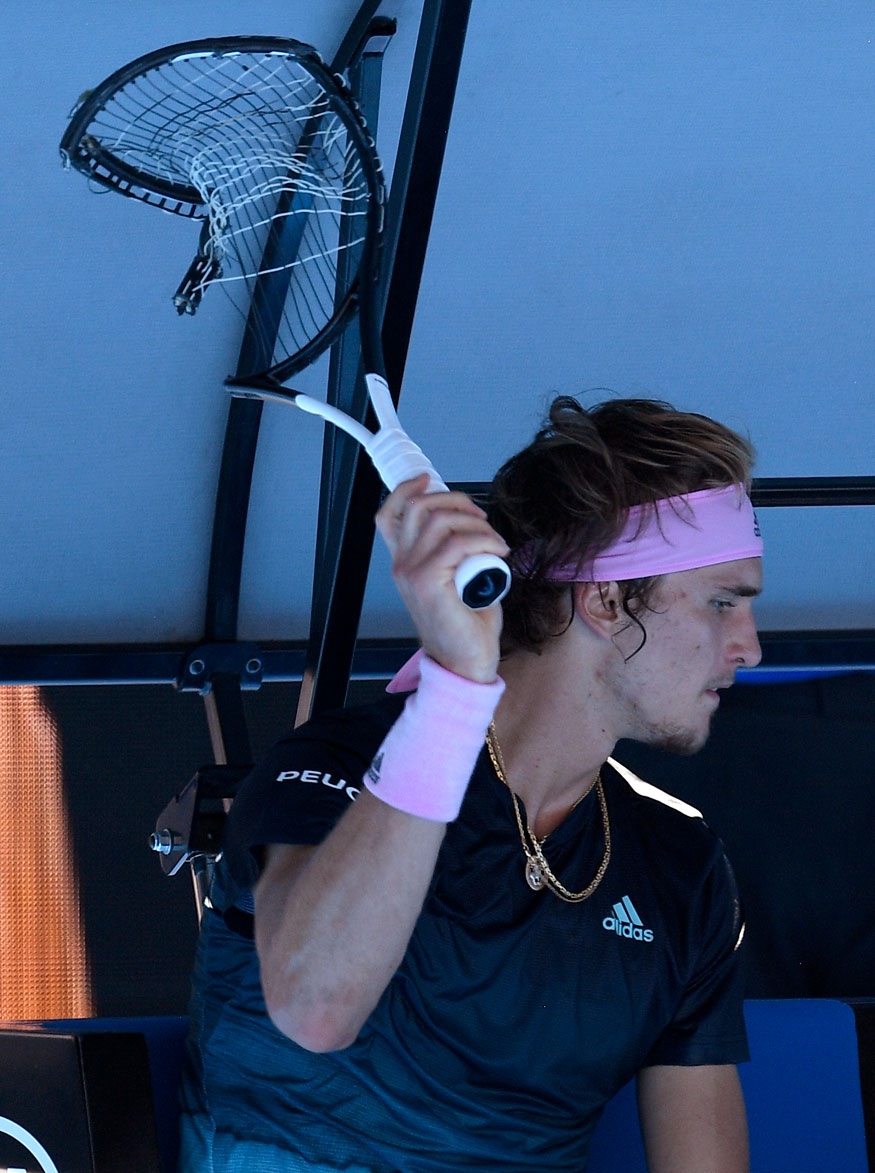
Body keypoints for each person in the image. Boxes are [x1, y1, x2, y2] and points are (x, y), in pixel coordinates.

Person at [178, 395, 763, 1172]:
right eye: (722, 601)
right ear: (605, 599)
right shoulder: (335, 763)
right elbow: (314, 1007)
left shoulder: (681, 864)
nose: (748, 647)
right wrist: (455, 684)